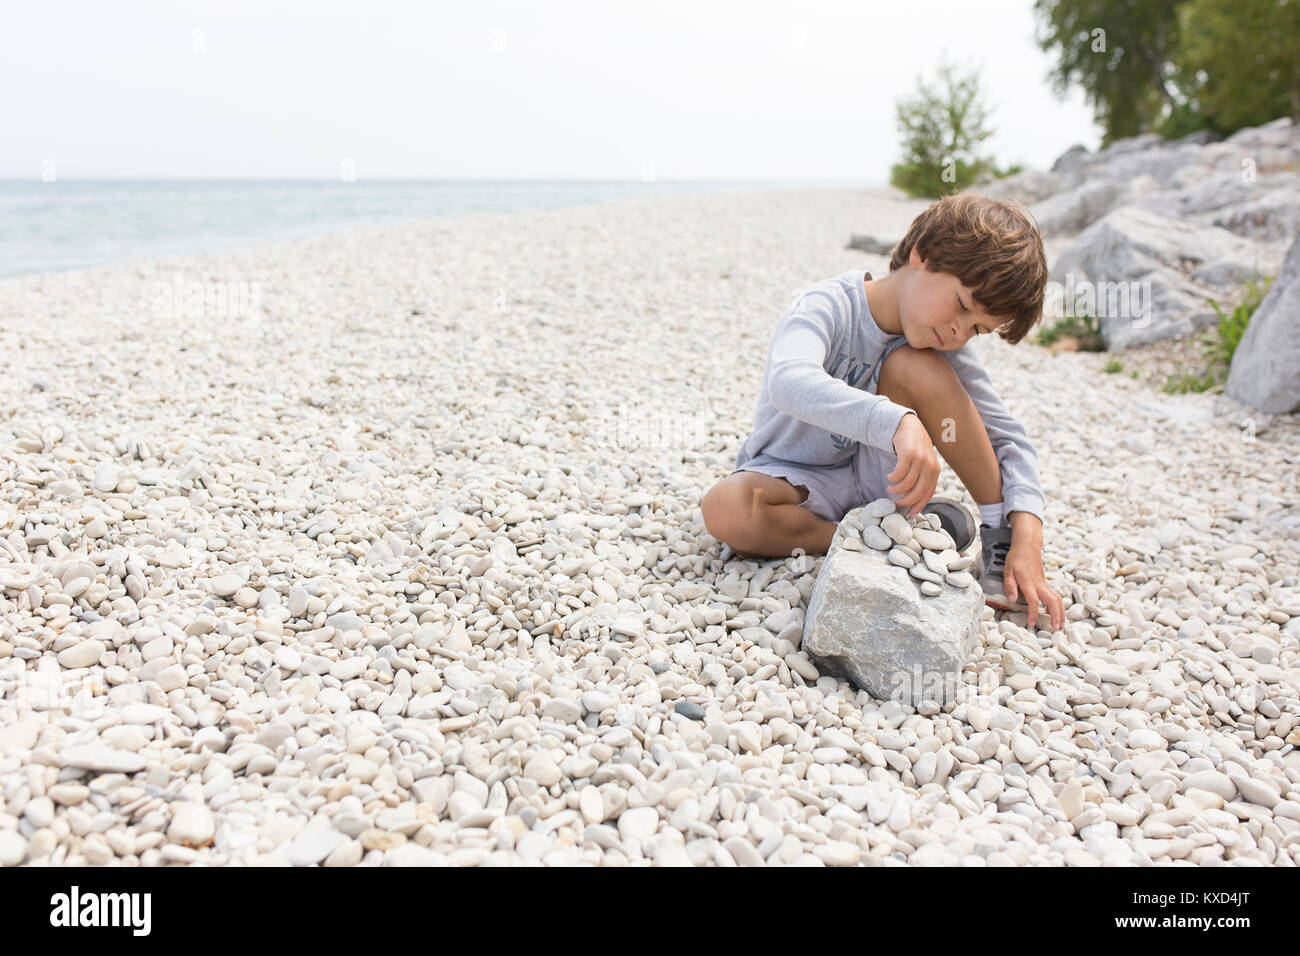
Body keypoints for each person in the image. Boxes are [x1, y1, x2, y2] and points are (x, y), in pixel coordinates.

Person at [701, 191, 1066, 632]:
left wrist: (1027, 535)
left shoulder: (936, 343)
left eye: (977, 330)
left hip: (883, 482)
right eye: (963, 306)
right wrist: (895, 420)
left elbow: (1005, 434)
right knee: (726, 508)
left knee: (916, 367)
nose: (958, 333)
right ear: (923, 254)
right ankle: (882, 536)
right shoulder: (828, 305)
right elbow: (788, 381)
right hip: (799, 483)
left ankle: (995, 535)